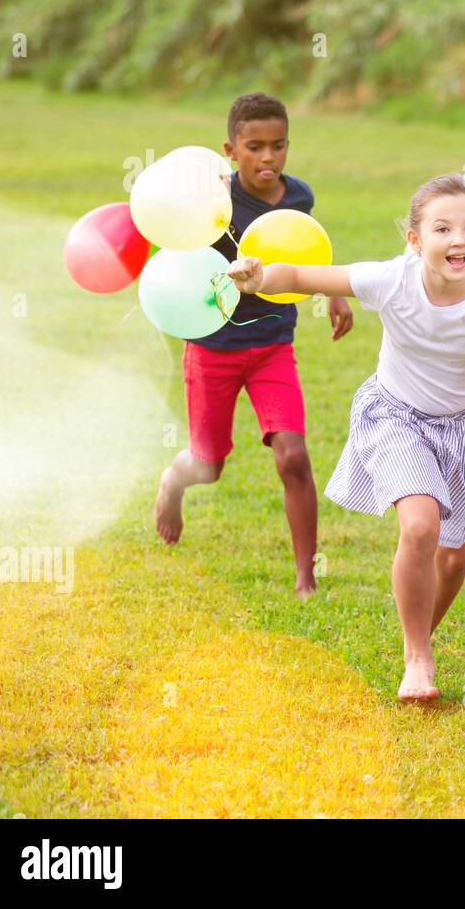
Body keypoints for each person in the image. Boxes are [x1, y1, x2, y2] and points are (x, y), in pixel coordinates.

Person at [228, 173, 465, 701]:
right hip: (397, 417)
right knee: (420, 526)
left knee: (454, 556)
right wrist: (260, 278)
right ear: (416, 240)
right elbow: (305, 275)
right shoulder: (390, 279)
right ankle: (418, 659)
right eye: (442, 228)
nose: (458, 239)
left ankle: (419, 636)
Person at [153, 93, 353, 598]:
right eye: (255, 147)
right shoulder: (213, 205)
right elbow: (177, 255)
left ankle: (306, 574)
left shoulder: (298, 196)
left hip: (271, 345)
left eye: (279, 146)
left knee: (293, 456)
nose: (268, 158)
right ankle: (173, 484)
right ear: (230, 149)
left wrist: (333, 294)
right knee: (208, 465)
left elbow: (304, 249)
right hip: (212, 349)